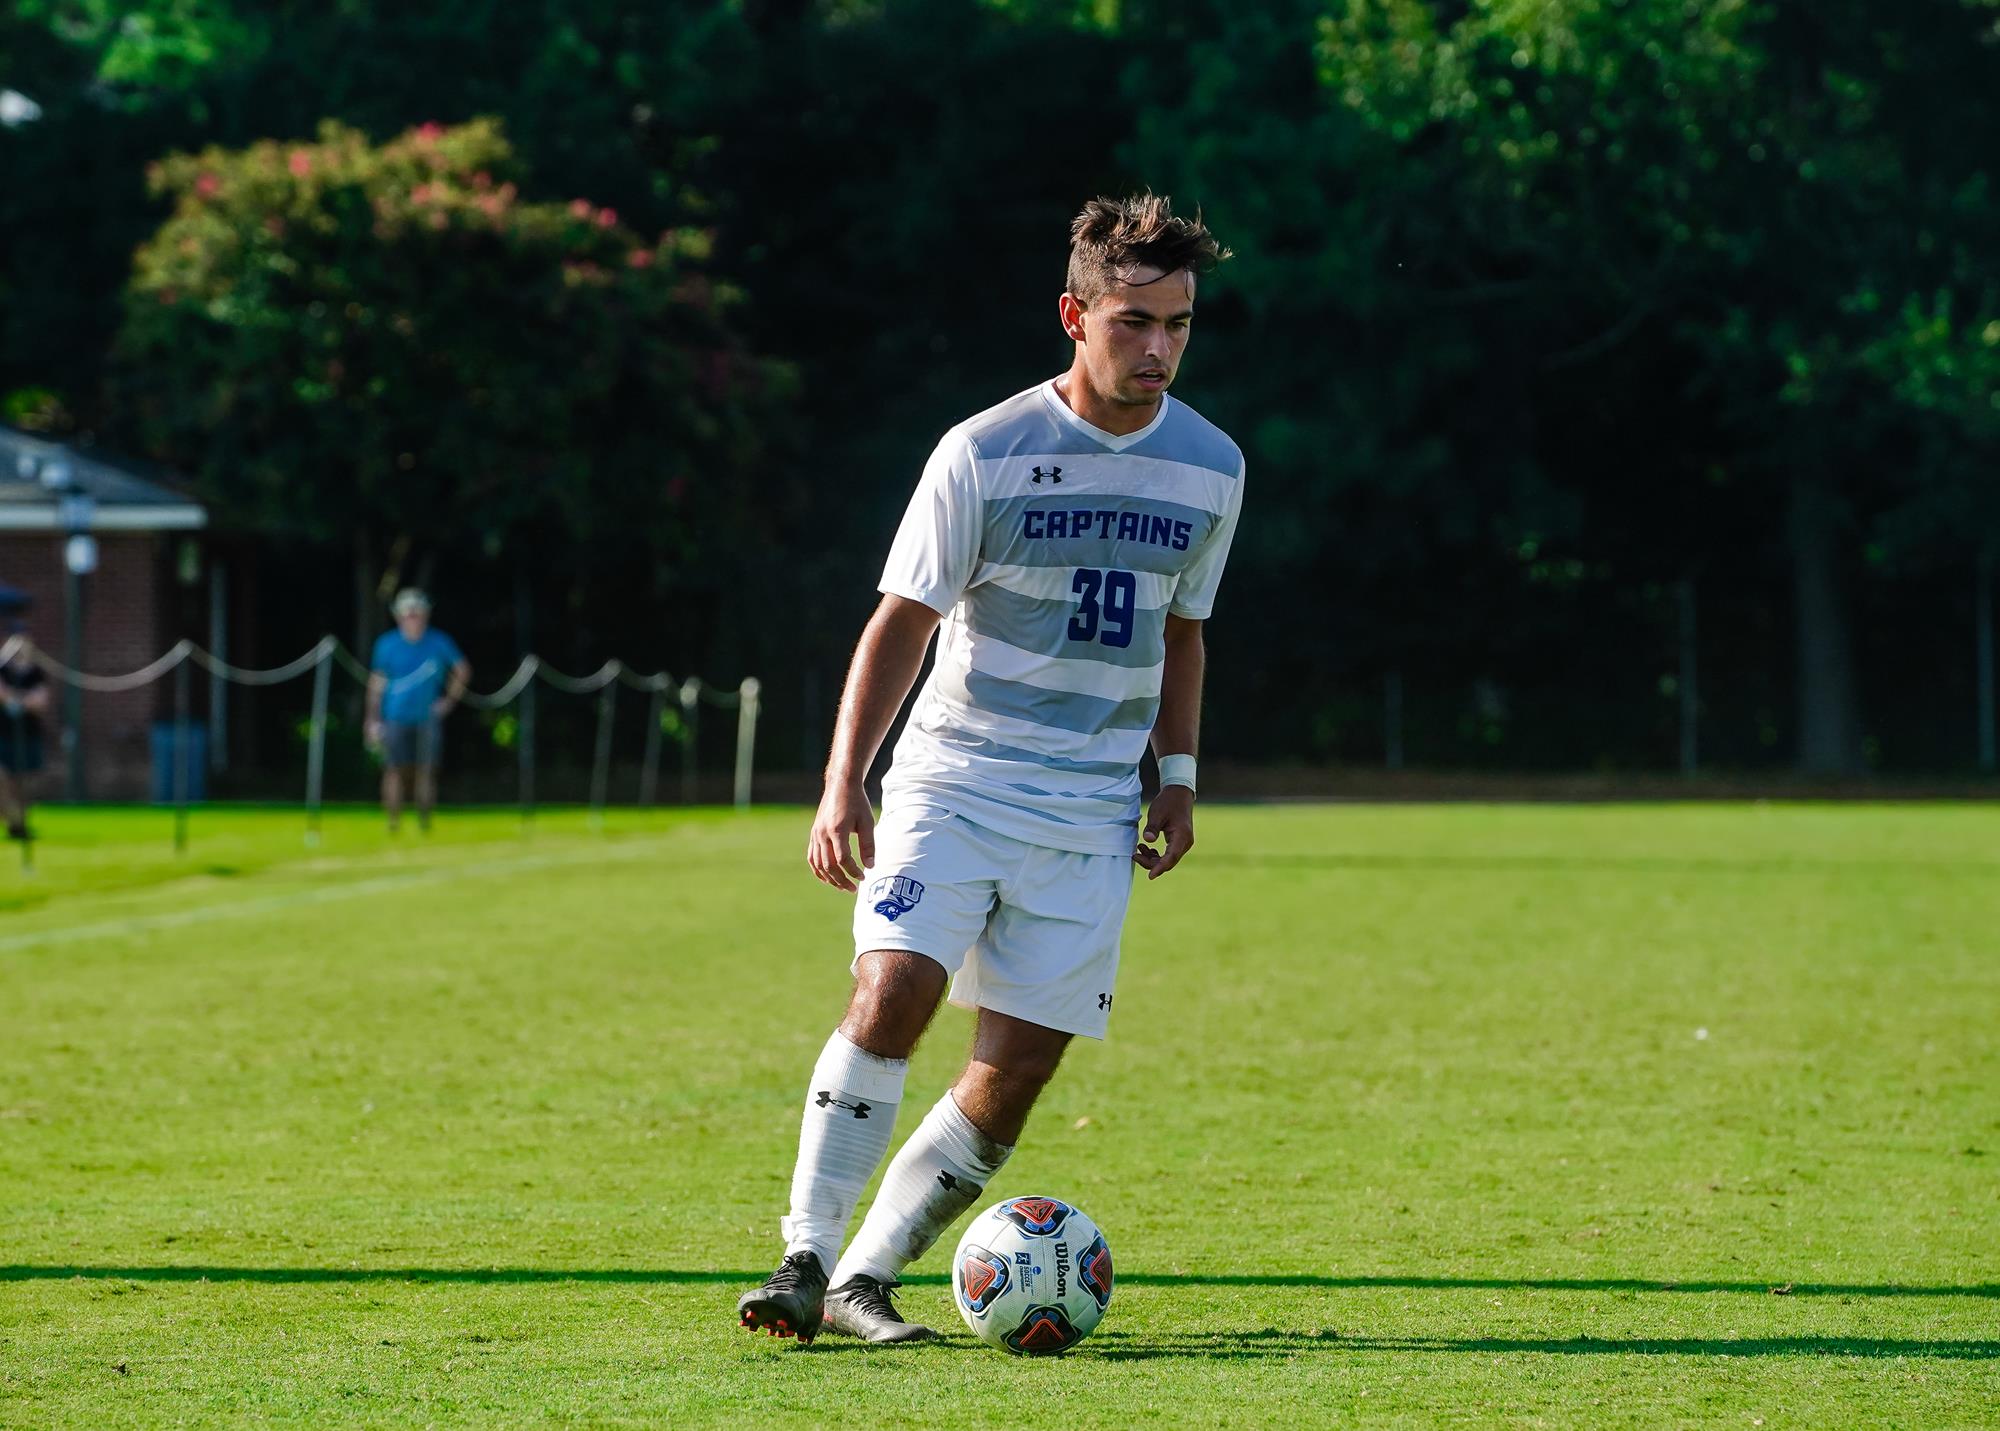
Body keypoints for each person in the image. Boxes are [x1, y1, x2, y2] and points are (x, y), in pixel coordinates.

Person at [737, 194, 1243, 1344]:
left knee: (1014, 1069)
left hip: (1090, 811)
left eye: (1176, 323)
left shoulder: (1212, 466)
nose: (1157, 347)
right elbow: (901, 622)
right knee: (893, 989)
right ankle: (803, 1253)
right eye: (1131, 321)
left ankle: (862, 1281)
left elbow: (1183, 631)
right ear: (1074, 316)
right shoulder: (982, 451)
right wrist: (843, 780)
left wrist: (1174, 775)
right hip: (954, 779)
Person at [365, 589, 469, 833]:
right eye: (407, 612)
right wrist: (371, 719)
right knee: (393, 770)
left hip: (427, 718)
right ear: (398, 615)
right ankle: (393, 823)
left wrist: (448, 702)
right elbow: (376, 683)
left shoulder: (439, 641)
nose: (412, 617)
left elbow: (462, 670)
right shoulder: (386, 644)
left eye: (416, 612)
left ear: (425, 614)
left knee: (426, 770)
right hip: (394, 717)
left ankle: (425, 822)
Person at [0, 618, 51, 842]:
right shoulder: (2, 668)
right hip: (3, 734)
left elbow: (41, 702)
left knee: (26, 783)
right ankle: (14, 821)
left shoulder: (35, 672)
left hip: (29, 735)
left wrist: (16, 699)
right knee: (4, 780)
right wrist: (24, 700)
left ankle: (19, 825)